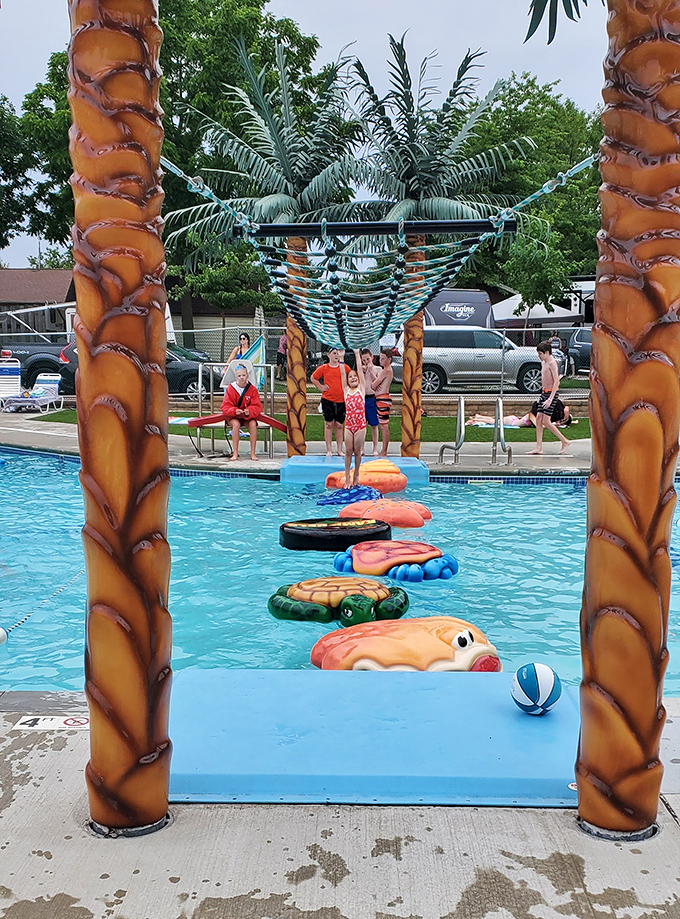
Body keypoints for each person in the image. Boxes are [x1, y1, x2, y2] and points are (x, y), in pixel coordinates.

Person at [527, 341, 569, 456]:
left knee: (546, 420)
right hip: (544, 393)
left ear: (546, 352)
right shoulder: (543, 362)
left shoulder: (552, 363)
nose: (539, 356)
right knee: (539, 418)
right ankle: (539, 447)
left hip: (552, 394)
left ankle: (564, 441)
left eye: (540, 354)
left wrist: (550, 398)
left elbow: (556, 381)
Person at [311, 347, 351, 456]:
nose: (336, 356)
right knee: (329, 424)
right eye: (334, 353)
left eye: (338, 353)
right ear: (329, 355)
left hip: (341, 400)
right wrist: (320, 387)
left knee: (339, 425)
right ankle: (329, 450)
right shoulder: (324, 368)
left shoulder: (344, 367)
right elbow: (313, 378)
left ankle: (339, 450)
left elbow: (352, 377)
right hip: (328, 399)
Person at [220, 363, 262, 461]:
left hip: (247, 417)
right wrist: (234, 411)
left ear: (247, 376)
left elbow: (257, 406)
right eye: (239, 376)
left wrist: (249, 411)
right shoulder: (230, 389)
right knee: (235, 424)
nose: (242, 378)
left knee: (252, 424)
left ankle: (253, 453)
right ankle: (235, 452)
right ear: (236, 377)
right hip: (234, 416)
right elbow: (225, 407)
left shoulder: (252, 390)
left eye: (243, 375)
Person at [340, 349, 367, 487]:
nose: (353, 378)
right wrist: (341, 358)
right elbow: (342, 374)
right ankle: (347, 476)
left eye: (354, 376)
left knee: (357, 452)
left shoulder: (361, 389)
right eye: (350, 377)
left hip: (360, 425)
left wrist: (357, 354)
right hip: (349, 425)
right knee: (348, 451)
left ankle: (356, 474)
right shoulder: (346, 390)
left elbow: (361, 372)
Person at [373, 348, 394, 457]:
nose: (381, 360)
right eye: (380, 358)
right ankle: (383, 450)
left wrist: (372, 375)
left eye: (383, 358)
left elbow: (373, 385)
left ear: (389, 359)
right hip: (381, 398)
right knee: (383, 425)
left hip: (383, 398)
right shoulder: (386, 370)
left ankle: (384, 451)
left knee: (384, 426)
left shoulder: (386, 370)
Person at [360, 349, 380, 456]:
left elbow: (376, 382)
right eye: (364, 360)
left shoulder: (378, 369)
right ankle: (362, 448)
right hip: (363, 398)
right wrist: (363, 371)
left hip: (372, 398)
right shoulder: (361, 370)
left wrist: (370, 371)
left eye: (367, 359)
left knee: (374, 424)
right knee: (363, 425)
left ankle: (375, 448)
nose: (366, 362)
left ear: (372, 357)